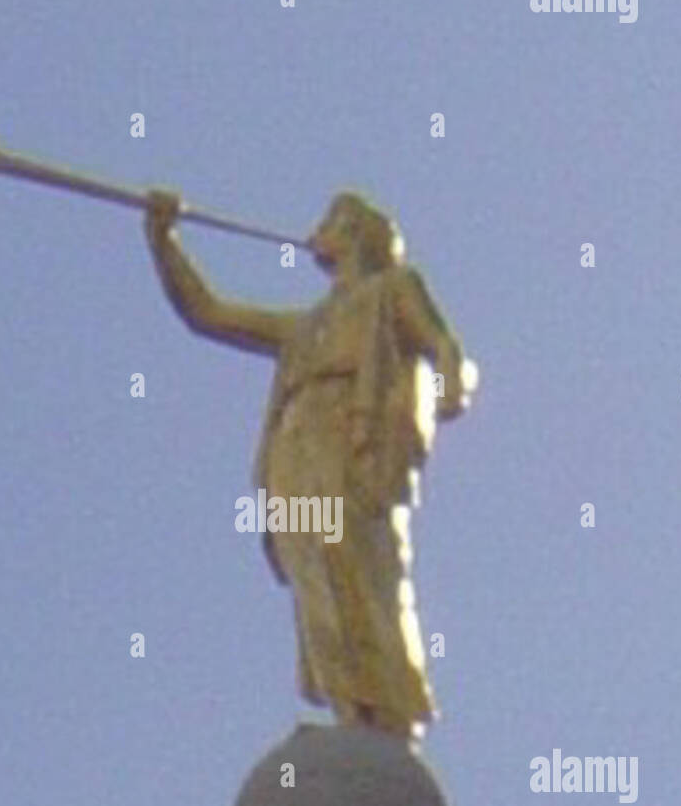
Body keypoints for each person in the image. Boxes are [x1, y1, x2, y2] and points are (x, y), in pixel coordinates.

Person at [143, 188, 474, 740]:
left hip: (352, 433)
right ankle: (350, 710)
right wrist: (163, 240)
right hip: (295, 442)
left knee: (361, 562)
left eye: (331, 222)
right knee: (312, 573)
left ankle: (391, 710)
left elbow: (441, 344)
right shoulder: (305, 326)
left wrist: (450, 387)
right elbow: (209, 313)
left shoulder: (392, 290)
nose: (315, 231)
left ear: (357, 236)